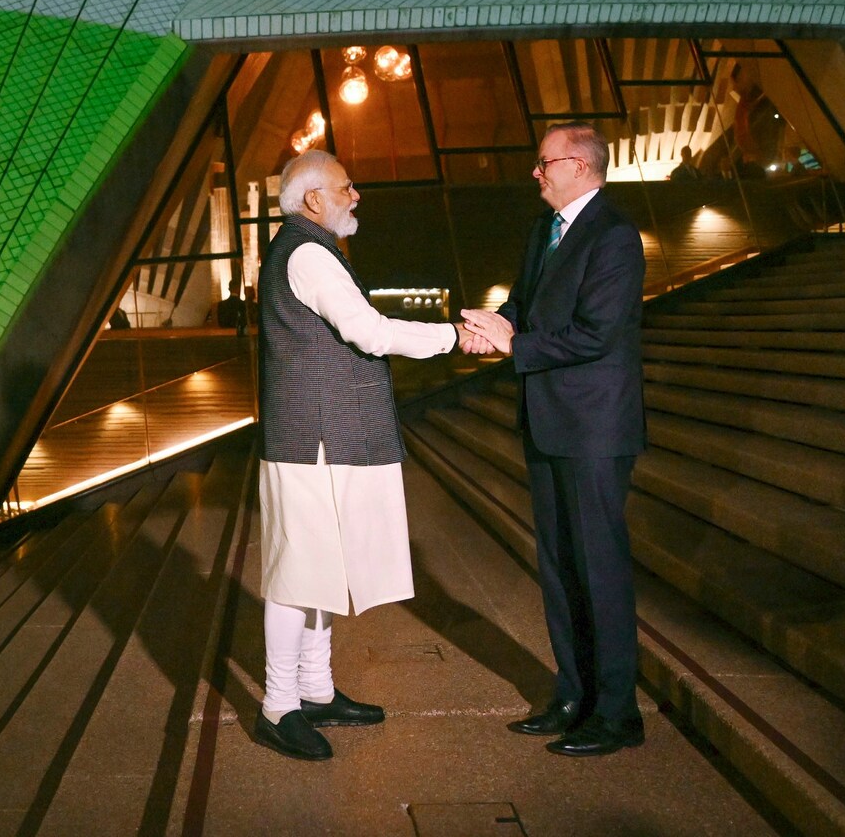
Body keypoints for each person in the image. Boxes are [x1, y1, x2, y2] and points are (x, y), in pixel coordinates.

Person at [254, 150, 457, 762]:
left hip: (315, 437)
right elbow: (368, 332)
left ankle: (315, 690)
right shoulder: (310, 253)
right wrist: (455, 336)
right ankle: (278, 706)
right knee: (294, 577)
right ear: (313, 200)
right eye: (346, 187)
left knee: (316, 569)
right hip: (310, 441)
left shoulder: (304, 246)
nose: (356, 195)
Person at [461, 121, 647, 758]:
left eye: (544, 163)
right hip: (548, 421)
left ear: (579, 166)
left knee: (599, 570)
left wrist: (517, 345)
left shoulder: (616, 237)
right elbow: (526, 306)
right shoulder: (546, 230)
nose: (535, 173)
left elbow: (596, 333)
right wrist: (495, 326)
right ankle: (572, 696)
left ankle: (618, 712)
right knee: (561, 567)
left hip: (594, 429)